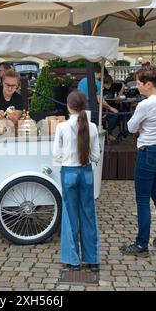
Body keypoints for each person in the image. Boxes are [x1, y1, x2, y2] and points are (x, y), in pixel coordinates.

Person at [120, 67, 156, 257]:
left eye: (139, 83)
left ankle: (141, 243)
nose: (137, 86)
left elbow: (131, 127)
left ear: (148, 84)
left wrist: (141, 126)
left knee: (142, 200)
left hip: (148, 152)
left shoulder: (145, 105)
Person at [53, 90, 101, 272]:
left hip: (69, 171)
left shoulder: (62, 127)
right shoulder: (93, 127)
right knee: (88, 214)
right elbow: (96, 155)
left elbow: (56, 155)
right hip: (86, 171)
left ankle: (73, 260)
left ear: (68, 106)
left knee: (70, 214)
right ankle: (92, 259)